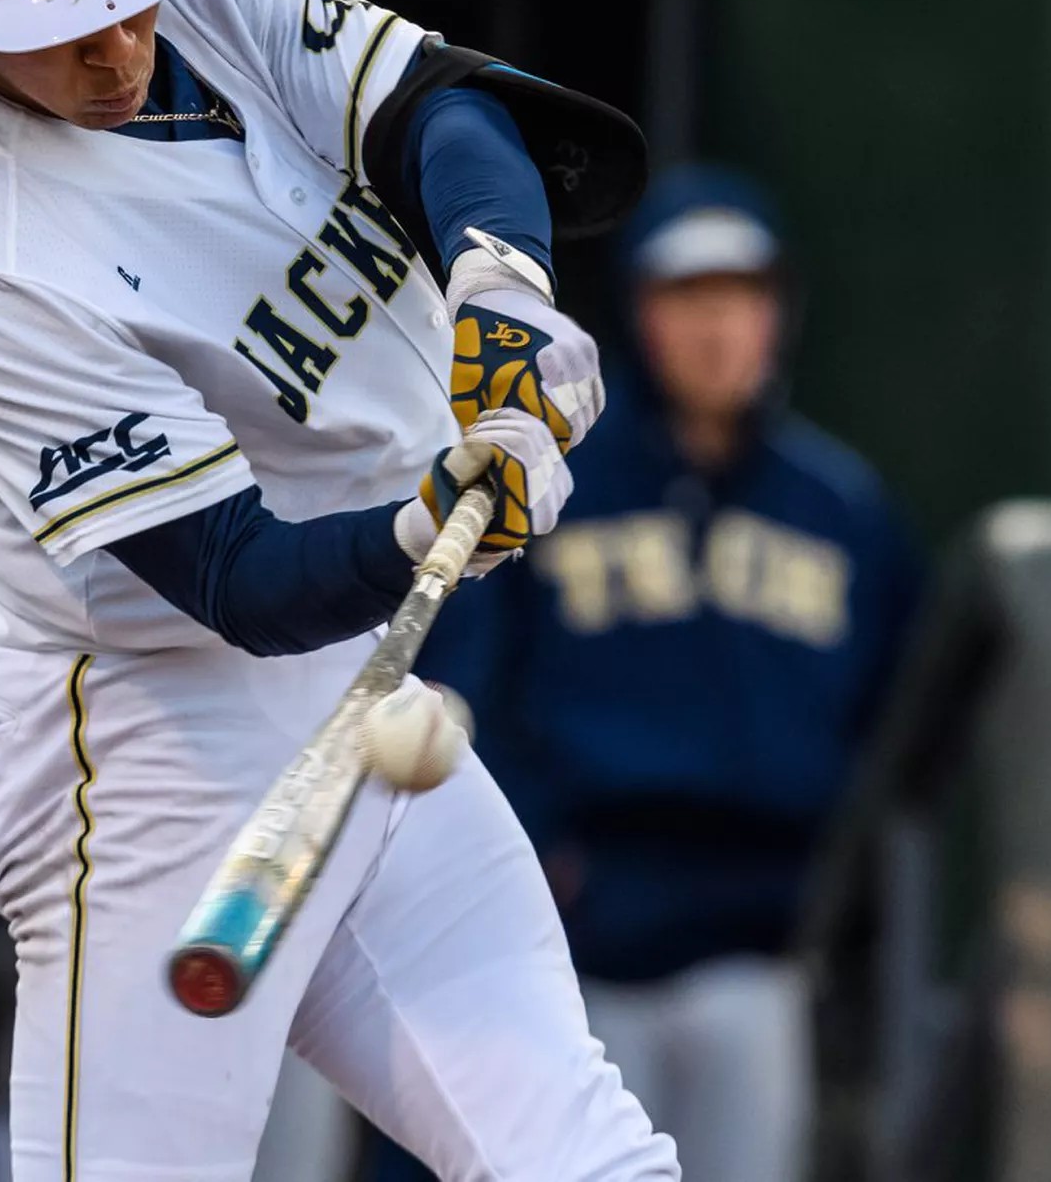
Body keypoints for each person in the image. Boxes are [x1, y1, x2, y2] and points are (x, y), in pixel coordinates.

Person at [0, 0, 676, 1179]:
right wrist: (431, 523)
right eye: (61, 24)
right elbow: (228, 575)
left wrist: (500, 284)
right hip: (140, 721)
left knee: (584, 1160)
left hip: (346, 681)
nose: (119, 46)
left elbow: (443, 109)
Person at [373, 165, 924, 1182]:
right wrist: (532, 853)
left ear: (777, 315)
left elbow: (897, 744)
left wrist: (837, 905)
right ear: (638, 315)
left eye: (740, 298)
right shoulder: (551, 489)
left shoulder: (840, 508)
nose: (717, 329)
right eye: (687, 299)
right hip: (575, 942)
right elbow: (470, 686)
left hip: (760, 946)